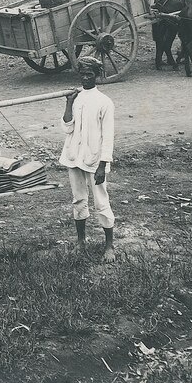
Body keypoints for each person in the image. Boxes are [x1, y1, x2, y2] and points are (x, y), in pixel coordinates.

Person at [59, 55, 117, 263]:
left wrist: (103, 164)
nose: (85, 78)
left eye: (89, 75)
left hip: (95, 160)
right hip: (74, 156)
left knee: (101, 201)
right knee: (79, 199)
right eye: (82, 74)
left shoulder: (104, 102)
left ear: (97, 75)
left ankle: (109, 246)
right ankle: (81, 241)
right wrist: (69, 103)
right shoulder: (76, 97)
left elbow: (108, 136)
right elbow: (68, 127)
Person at [144, 0, 176, 69]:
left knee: (168, 37)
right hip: (155, 14)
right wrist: (150, 7)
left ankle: (164, 59)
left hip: (167, 15)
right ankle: (158, 61)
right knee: (159, 38)